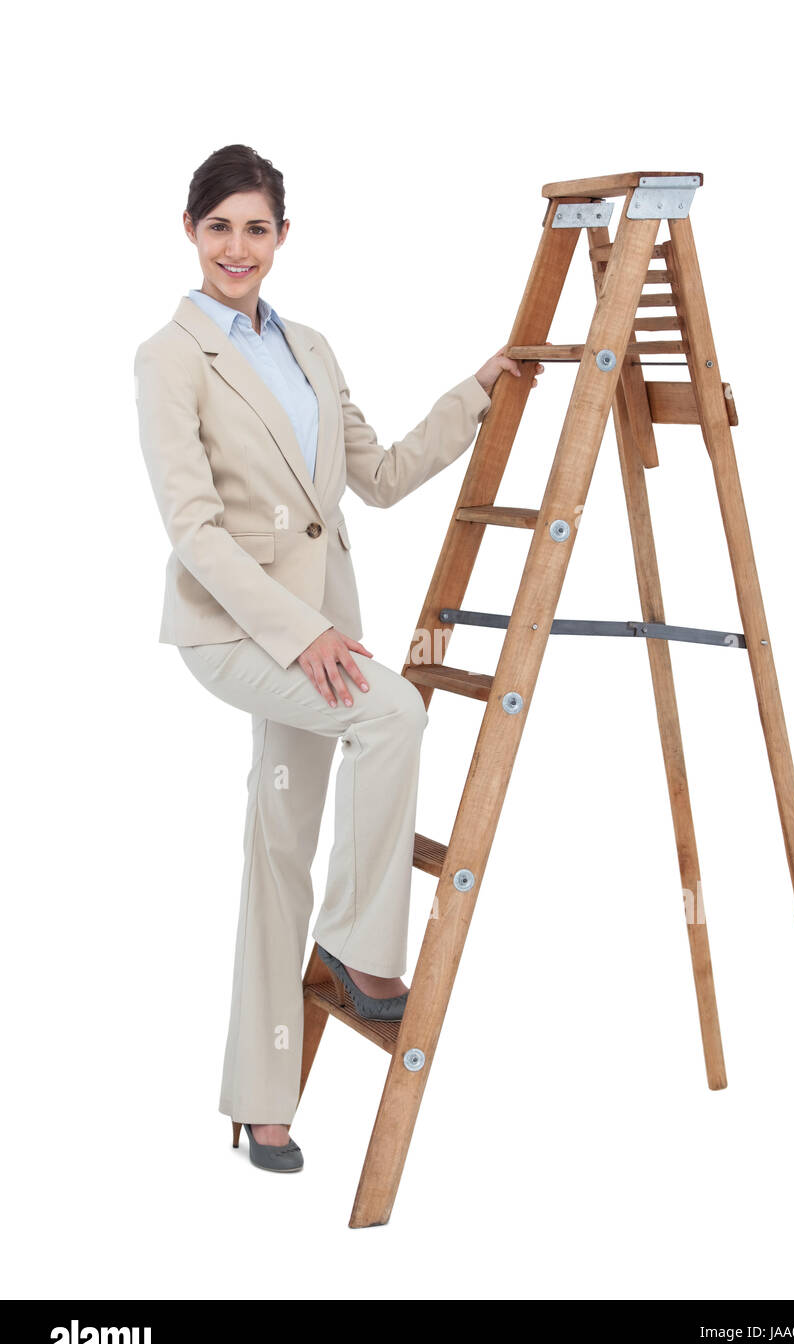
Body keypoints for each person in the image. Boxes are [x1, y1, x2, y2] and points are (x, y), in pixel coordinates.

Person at [133, 143, 542, 1174]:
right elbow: (195, 529)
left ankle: (259, 1107)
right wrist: (300, 633)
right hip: (242, 633)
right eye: (219, 226)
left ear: (281, 237)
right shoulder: (170, 356)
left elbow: (386, 473)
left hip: (322, 630)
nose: (237, 247)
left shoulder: (309, 346)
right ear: (191, 231)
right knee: (391, 712)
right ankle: (362, 947)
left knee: (276, 849)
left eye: (256, 228)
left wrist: (478, 390)